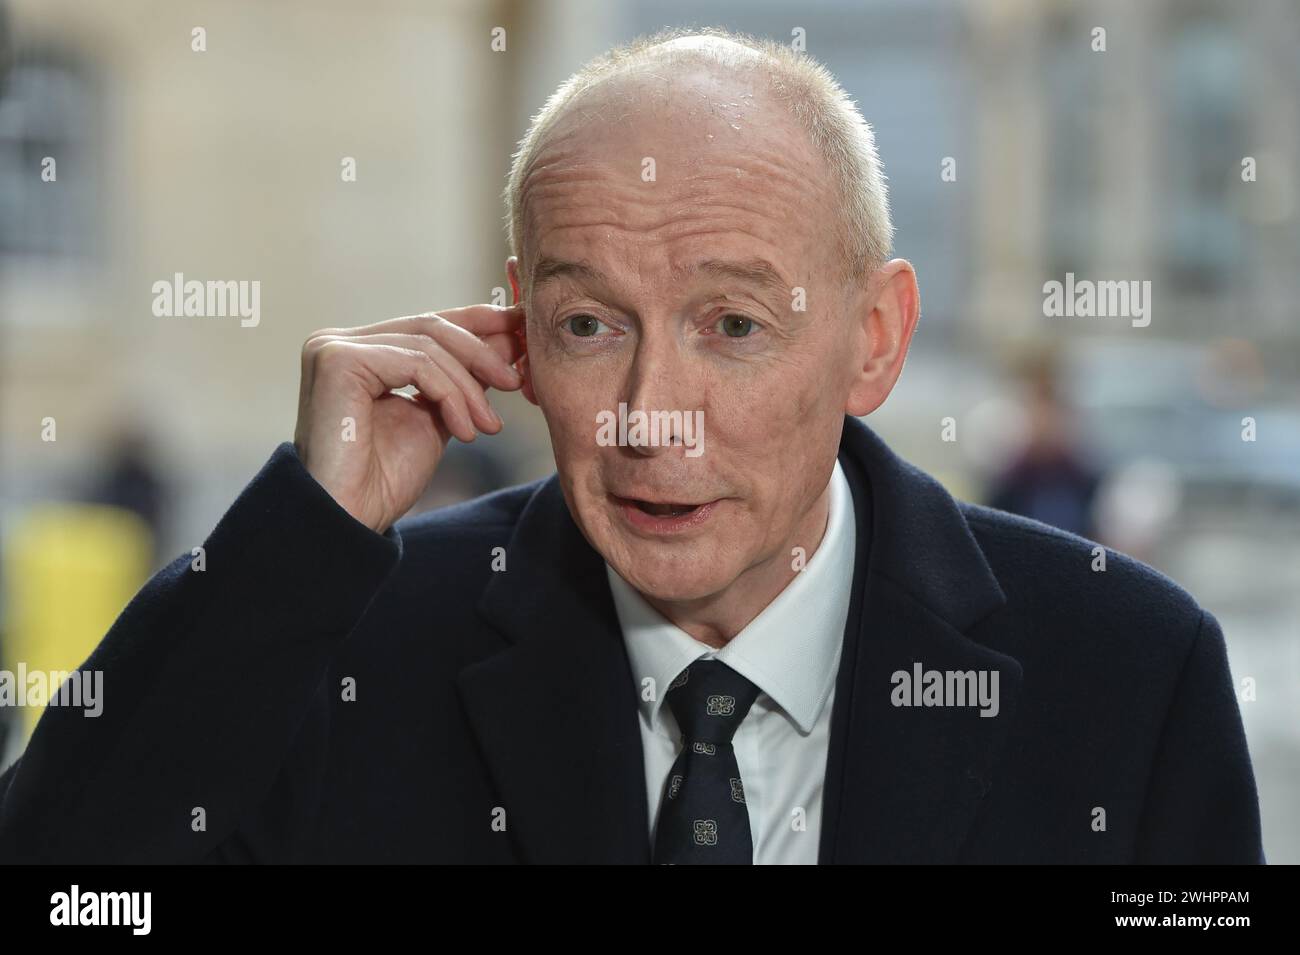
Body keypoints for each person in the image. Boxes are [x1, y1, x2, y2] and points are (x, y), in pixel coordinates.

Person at [0, 27, 1263, 864]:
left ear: (874, 339)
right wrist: (292, 550)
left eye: (733, 323)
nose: (652, 410)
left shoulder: (1126, 674)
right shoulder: (347, 643)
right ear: (519, 336)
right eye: (590, 324)